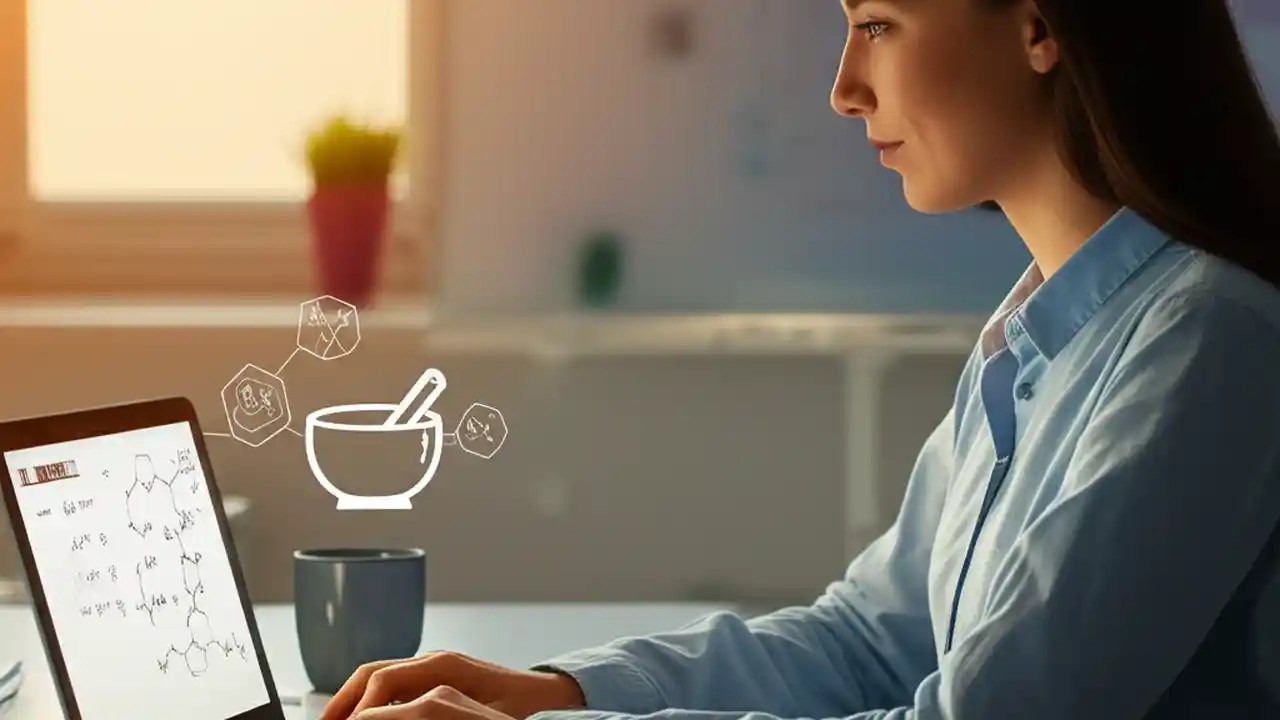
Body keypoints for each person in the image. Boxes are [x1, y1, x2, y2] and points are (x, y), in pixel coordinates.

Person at [320, 0, 1280, 717]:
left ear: (1037, 26)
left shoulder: (1210, 341)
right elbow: (870, 641)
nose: (844, 87)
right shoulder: (1039, 338)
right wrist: (555, 693)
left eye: (878, 24)